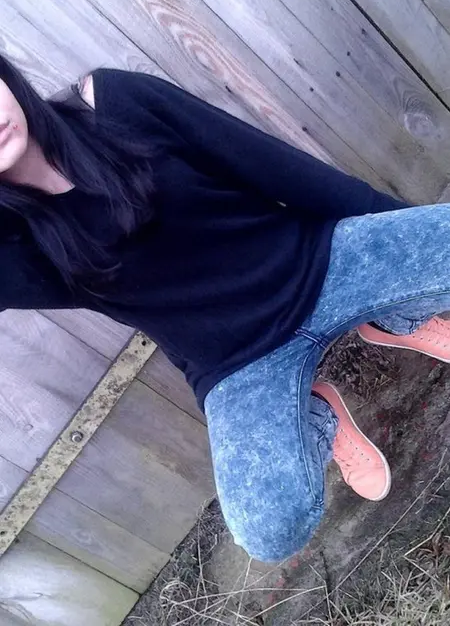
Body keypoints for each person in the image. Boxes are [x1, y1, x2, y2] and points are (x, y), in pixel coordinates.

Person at [1, 54, 449, 563]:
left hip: (318, 263)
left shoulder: (114, 101)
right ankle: (316, 416)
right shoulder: (10, 249)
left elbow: (279, 169)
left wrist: (411, 241)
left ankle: (397, 316)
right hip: (237, 363)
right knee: (269, 532)